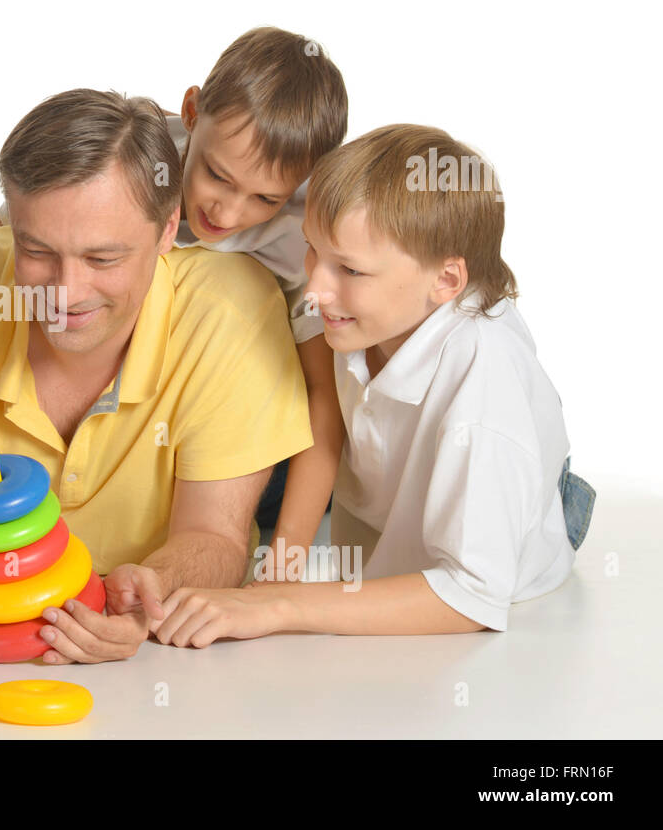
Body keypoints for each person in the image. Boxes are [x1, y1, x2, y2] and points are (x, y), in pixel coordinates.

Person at [151, 125, 595, 645]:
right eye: (313, 251)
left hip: (513, 521)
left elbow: (471, 594)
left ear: (446, 282)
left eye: (351, 271)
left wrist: (275, 604)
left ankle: (555, 496)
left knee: (496, 473)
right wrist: (281, 566)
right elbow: (326, 421)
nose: (314, 288)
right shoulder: (358, 311)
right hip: (394, 514)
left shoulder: (484, 393)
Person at [0, 88, 314, 663]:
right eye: (36, 249)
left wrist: (148, 588)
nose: (64, 293)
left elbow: (217, 538)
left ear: (166, 230)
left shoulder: (232, 312)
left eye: (103, 259)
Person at [168, 27, 348, 568]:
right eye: (217, 176)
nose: (226, 213)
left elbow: (323, 395)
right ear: (192, 112)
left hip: (263, 445)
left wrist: (287, 557)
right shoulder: (139, 151)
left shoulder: (300, 239)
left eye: (264, 198)